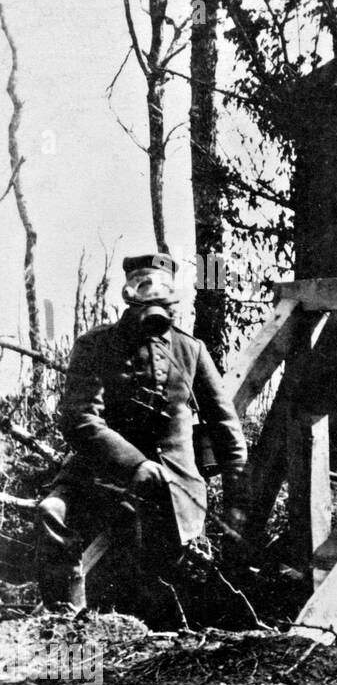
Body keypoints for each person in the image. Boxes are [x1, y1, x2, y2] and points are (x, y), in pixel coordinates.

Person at [35, 253, 247, 619]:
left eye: (161, 288)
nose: (151, 296)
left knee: (152, 575)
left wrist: (238, 502)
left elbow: (226, 429)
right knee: (52, 512)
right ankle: (69, 624)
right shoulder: (95, 345)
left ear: (172, 297)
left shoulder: (190, 349)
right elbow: (79, 417)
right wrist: (133, 464)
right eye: (142, 286)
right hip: (100, 470)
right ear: (128, 294)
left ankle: (155, 630)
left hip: (173, 482)